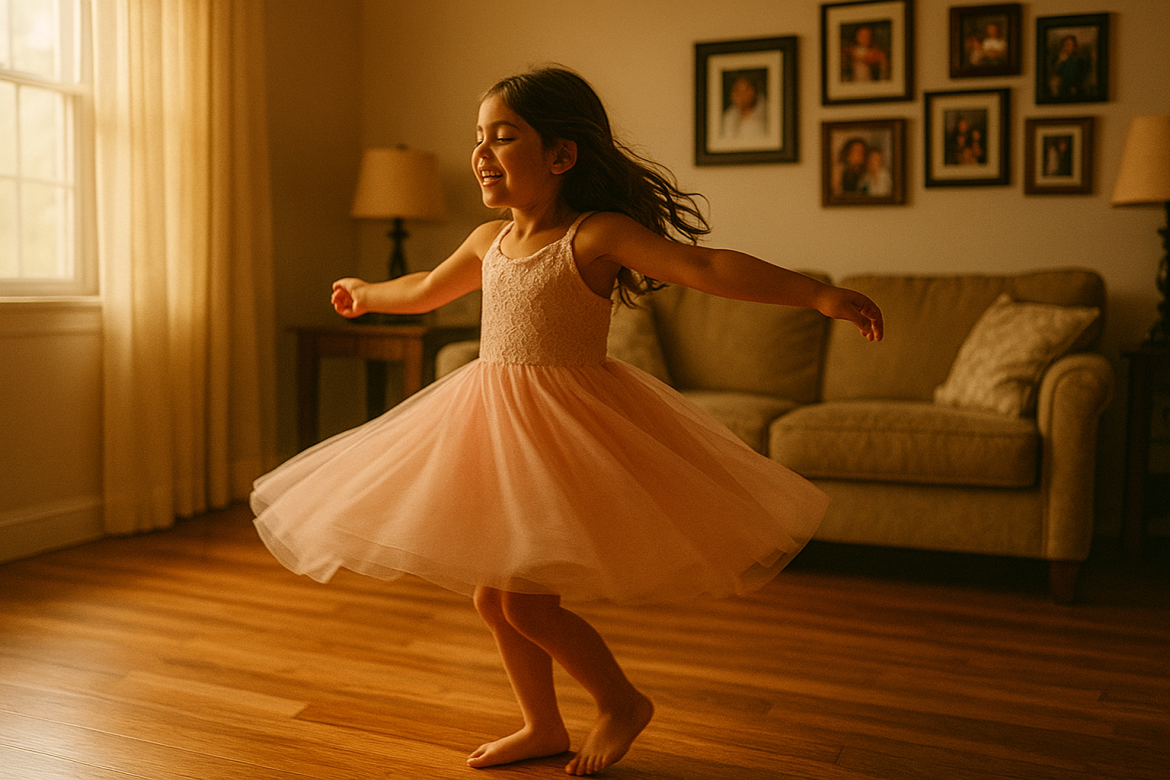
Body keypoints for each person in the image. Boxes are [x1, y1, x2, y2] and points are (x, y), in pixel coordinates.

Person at [251, 66, 883, 777]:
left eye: (504, 137)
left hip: (563, 430)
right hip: (490, 422)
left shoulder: (594, 234)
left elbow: (704, 265)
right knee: (496, 597)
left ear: (561, 155)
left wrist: (816, 294)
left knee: (519, 601)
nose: (482, 154)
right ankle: (542, 725)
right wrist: (369, 293)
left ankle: (620, 702)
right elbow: (427, 288)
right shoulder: (488, 240)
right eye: (478, 139)